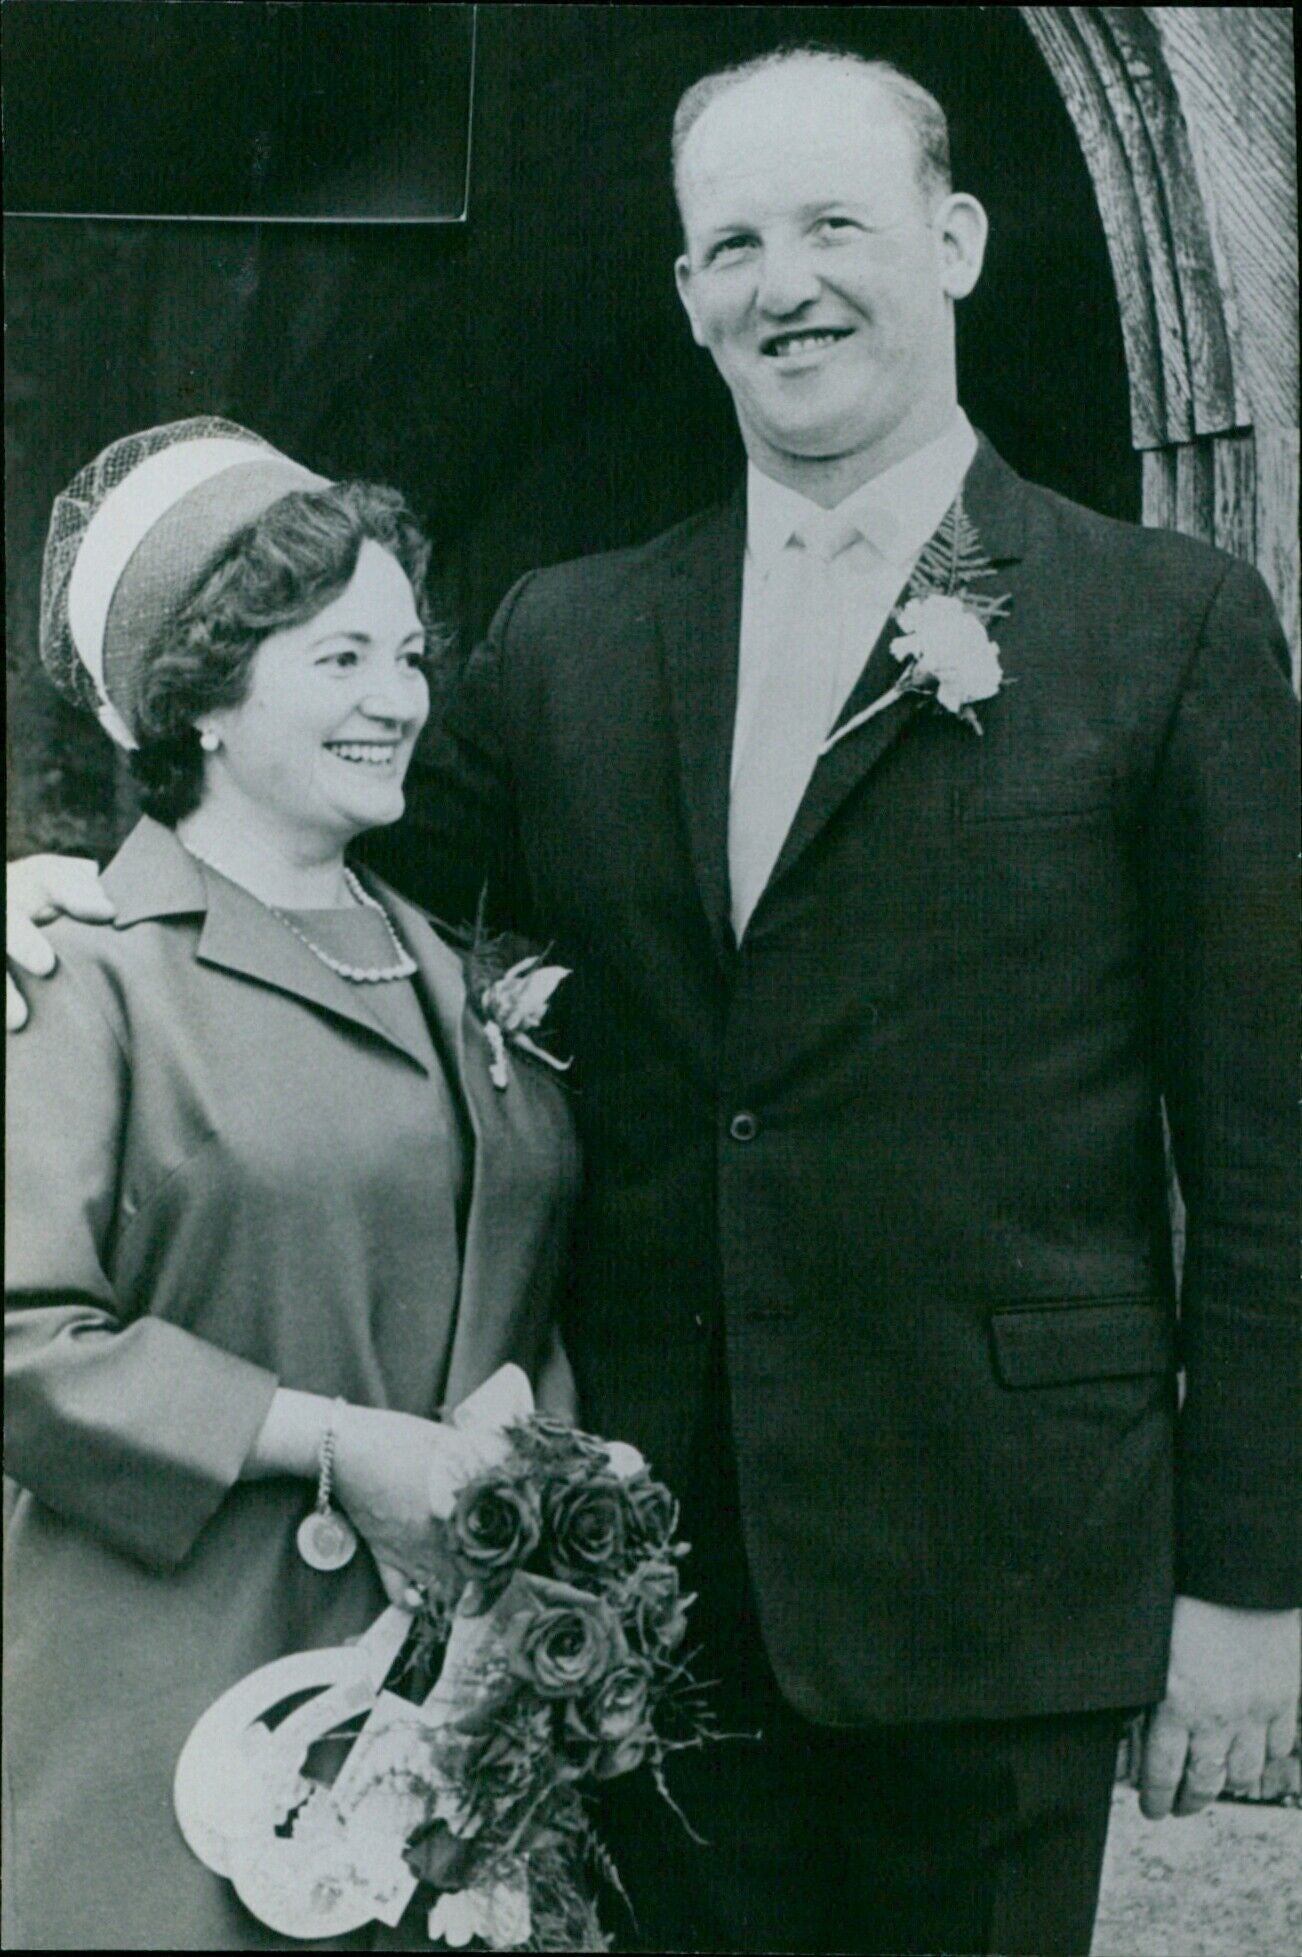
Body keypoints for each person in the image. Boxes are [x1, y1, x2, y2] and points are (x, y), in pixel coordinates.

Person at [9, 50, 1299, 1957]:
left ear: (951, 242)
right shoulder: (571, 635)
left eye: (833, 225)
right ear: (688, 295)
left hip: (999, 1571)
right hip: (639, 1587)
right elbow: (281, 839)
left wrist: (1250, 1588)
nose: (783, 280)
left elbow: (1267, 1143)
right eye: (729, 244)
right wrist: (57, 885)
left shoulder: (1164, 625)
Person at [3, 419, 578, 1950]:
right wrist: (340, 1444)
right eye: (339, 662)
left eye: (406, 655)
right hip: (168, 1713)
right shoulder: (81, 973)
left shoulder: (448, 965)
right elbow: (18, 1340)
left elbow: (507, 1286)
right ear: (200, 694)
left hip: (421, 1749)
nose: (400, 700)